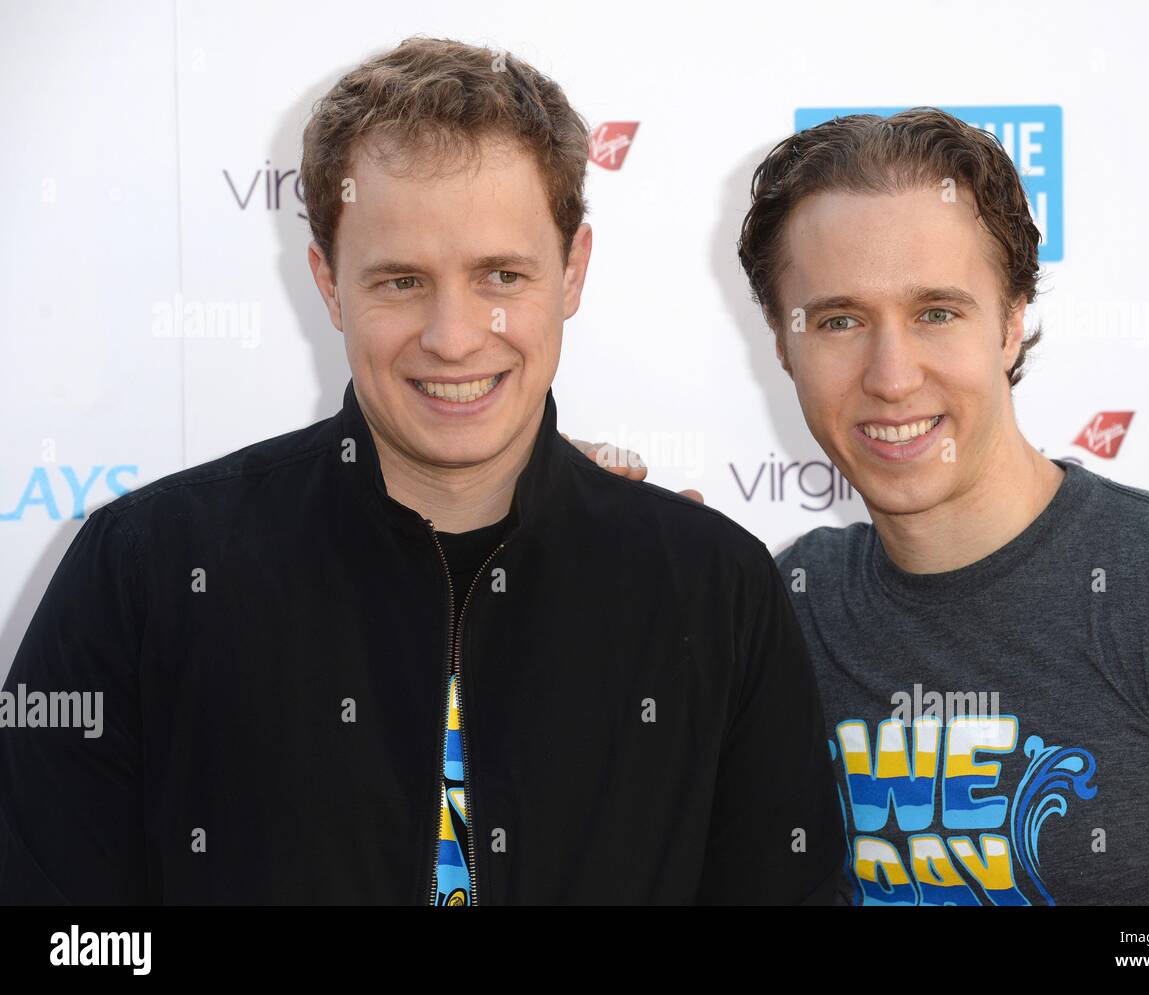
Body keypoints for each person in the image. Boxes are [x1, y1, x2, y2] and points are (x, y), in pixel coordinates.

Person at [0, 37, 847, 905]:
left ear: (573, 271)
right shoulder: (143, 573)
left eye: (501, 274)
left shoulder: (716, 591)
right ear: (328, 285)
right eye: (402, 281)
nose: (453, 335)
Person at [589, 108, 1149, 905]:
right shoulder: (780, 614)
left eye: (936, 312)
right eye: (840, 320)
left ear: (1011, 321)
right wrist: (555, 541)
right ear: (783, 344)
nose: (892, 376)